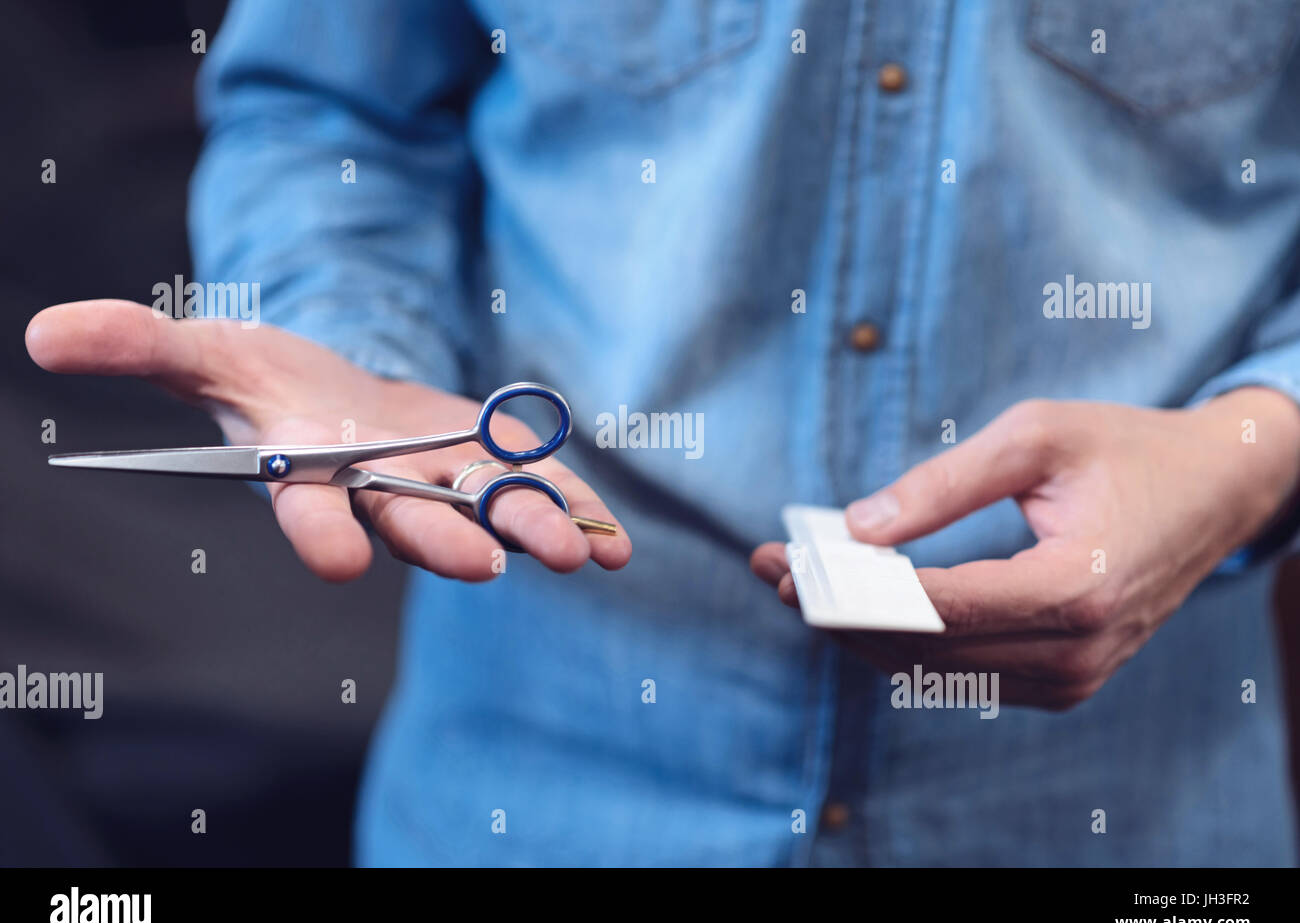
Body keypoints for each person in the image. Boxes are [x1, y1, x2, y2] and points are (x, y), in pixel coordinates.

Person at [25, 1, 1300, 865]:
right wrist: (356, 352)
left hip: (1139, 827)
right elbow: (327, 113)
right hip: (525, 807)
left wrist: (1255, 448)